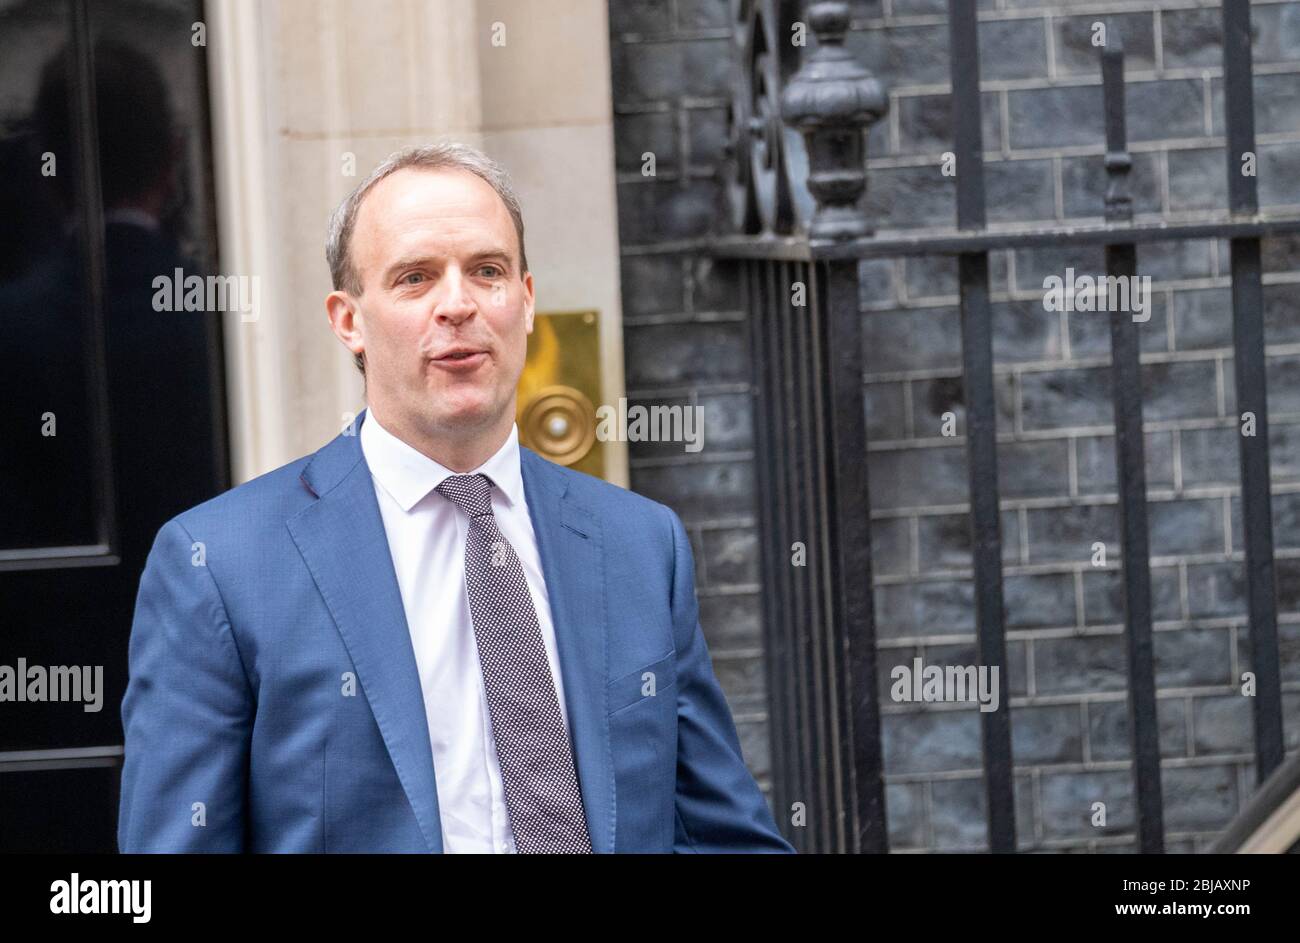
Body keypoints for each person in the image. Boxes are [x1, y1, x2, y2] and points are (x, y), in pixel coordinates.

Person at [118, 142, 794, 853]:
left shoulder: (639, 544)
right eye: (415, 278)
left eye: (487, 271)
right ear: (348, 319)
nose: (458, 304)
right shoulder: (219, 566)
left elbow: (722, 836)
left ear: (526, 301)